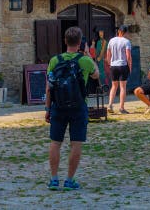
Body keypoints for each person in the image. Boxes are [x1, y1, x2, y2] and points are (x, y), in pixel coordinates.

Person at [45, 26, 99, 191]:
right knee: (76, 144)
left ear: (65, 41)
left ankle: (54, 179)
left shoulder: (55, 60)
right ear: (80, 42)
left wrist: (48, 109)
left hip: (59, 106)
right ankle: (69, 180)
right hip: (78, 106)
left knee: (55, 142)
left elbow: (49, 87)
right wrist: (88, 55)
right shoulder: (84, 61)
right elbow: (96, 75)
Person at [106, 25, 132, 114]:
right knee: (122, 87)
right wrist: (130, 67)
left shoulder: (111, 40)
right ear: (125, 32)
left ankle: (110, 105)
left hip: (113, 66)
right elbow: (128, 56)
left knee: (114, 86)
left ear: (118, 32)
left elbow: (108, 54)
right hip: (122, 65)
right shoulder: (126, 42)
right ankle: (121, 108)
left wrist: (110, 64)